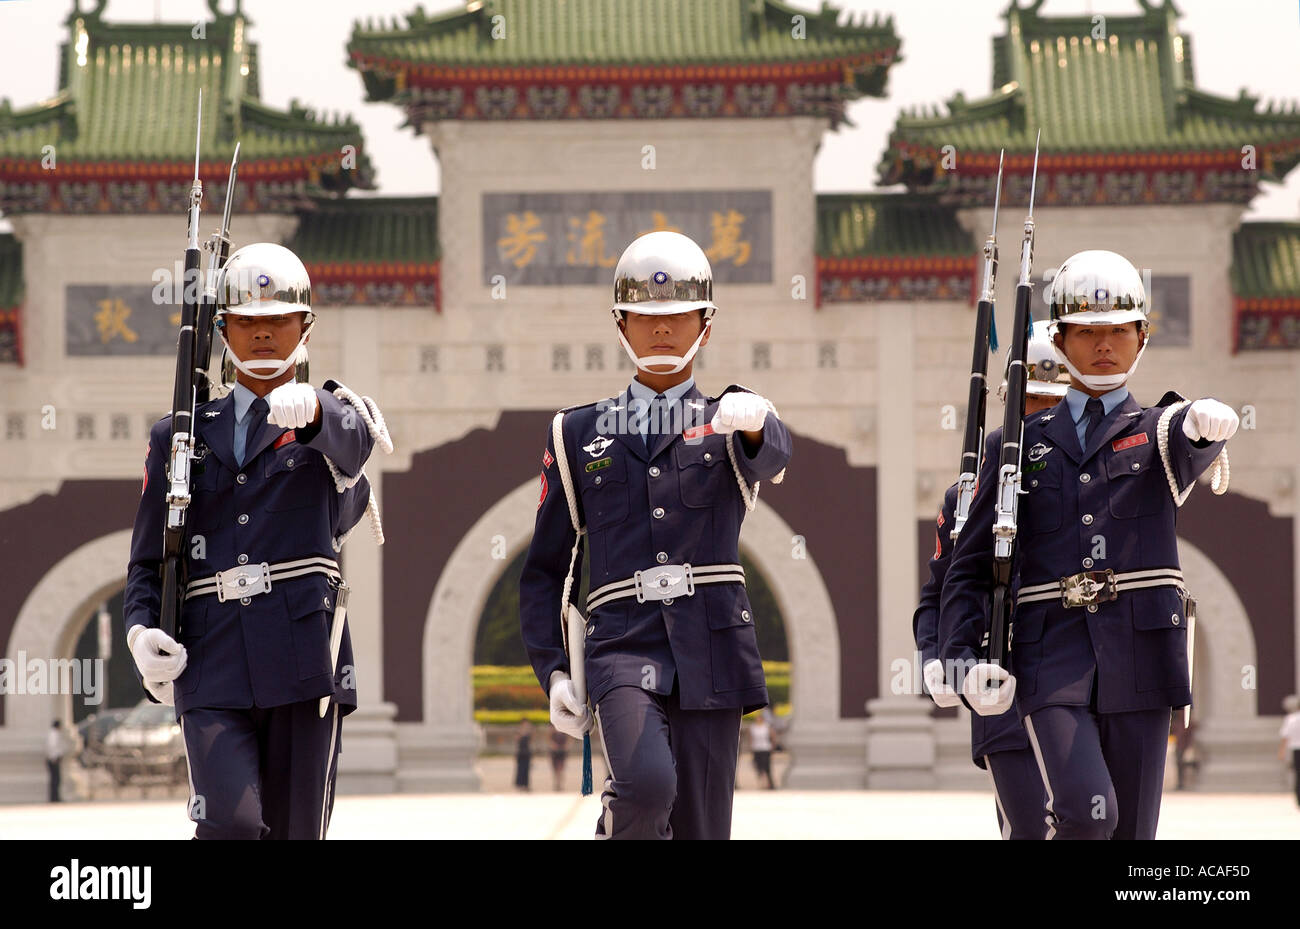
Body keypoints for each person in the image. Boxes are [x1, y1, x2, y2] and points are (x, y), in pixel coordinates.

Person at [941, 249, 1238, 840]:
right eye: (1087, 332)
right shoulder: (1016, 446)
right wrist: (960, 659)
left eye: (1118, 332)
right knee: (1083, 811)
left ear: (1142, 337)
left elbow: (1187, 439)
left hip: (1142, 659)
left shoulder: (1158, 430)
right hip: (1049, 662)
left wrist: (1204, 425)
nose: (1104, 345)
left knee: (1133, 835)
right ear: (1060, 337)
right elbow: (968, 568)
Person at [520, 231, 792, 839]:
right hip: (623, 647)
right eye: (645, 316)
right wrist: (555, 671)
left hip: (713, 647)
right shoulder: (575, 431)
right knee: (644, 787)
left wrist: (755, 424)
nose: (661, 329)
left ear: (706, 325)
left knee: (702, 826)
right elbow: (547, 568)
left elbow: (773, 456)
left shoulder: (731, 417)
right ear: (620, 323)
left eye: (677, 316)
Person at [124, 242, 389, 839]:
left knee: (297, 831)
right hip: (210, 657)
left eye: (278, 322)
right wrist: (140, 630)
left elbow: (357, 446)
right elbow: (148, 556)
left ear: (305, 327)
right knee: (231, 824)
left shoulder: (328, 421)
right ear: (222, 331)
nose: (262, 335)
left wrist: (316, 411)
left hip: (302, 660)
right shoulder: (181, 433)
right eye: (246, 322)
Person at [918, 324, 1063, 838]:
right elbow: (942, 589)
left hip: (1078, 685)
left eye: (1053, 403)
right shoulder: (968, 496)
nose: (1040, 417)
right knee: (1027, 828)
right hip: (1000, 687)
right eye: (1029, 404)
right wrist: (937, 656)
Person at [1280, 695, 1300, 806]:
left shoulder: (1291, 719)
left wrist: (1282, 752)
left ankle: (1298, 799)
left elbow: (1285, 737)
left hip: (1296, 750)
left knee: (1298, 776)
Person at [748, 713, 776, 789]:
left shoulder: (767, 726)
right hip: (756, 749)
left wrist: (773, 747)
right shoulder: (753, 727)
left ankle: (770, 784)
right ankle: (762, 783)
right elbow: (751, 738)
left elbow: (773, 736)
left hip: (765, 748)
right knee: (758, 766)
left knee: (767, 766)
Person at [46, 719, 66, 803]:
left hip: (53, 758)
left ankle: (55, 797)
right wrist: (54, 757)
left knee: (55, 779)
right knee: (55, 779)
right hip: (53, 759)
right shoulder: (54, 734)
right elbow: (53, 746)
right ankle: (54, 797)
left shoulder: (53, 733)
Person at [514, 719, 533, 791]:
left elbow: (531, 742)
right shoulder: (518, 732)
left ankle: (526, 785)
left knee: (526, 769)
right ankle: (519, 784)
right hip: (520, 753)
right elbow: (516, 740)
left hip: (527, 752)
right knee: (520, 769)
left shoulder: (529, 733)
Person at [549, 726, 568, 792]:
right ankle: (557, 784)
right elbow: (549, 741)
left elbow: (568, 741)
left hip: (562, 752)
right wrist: (553, 745)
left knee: (561, 769)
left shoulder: (564, 733)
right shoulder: (552, 733)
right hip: (555, 753)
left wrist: (565, 746)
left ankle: (560, 784)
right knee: (555, 770)